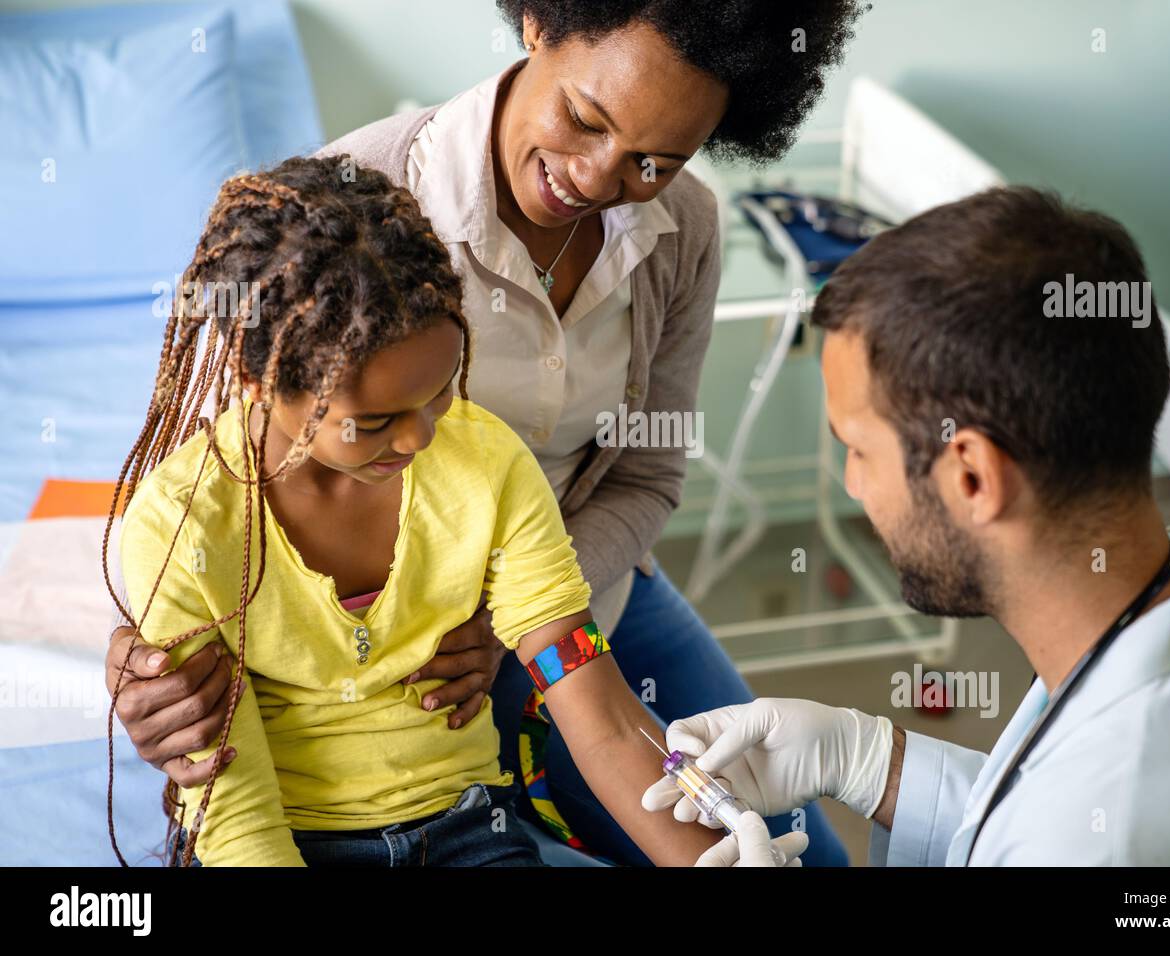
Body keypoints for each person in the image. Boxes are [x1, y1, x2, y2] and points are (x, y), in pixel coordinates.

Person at [104, 0, 867, 867]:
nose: (598, 177)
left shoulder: (671, 243)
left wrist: (506, 612)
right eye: (585, 118)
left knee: (794, 849)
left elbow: (645, 485)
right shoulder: (341, 211)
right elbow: (212, 503)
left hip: (565, 580)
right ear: (540, 23)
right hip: (389, 680)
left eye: (653, 162)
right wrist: (147, 651)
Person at [644, 186, 1170, 866]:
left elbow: (1066, 830)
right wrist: (870, 761)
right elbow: (1037, 810)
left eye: (860, 450)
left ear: (973, 479)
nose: (851, 482)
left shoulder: (1109, 831)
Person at [108, 155, 727, 867]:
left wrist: (722, 855)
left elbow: (602, 714)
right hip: (291, 843)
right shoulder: (184, 524)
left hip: (471, 831)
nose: (420, 438)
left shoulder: (485, 462)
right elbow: (236, 812)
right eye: (372, 422)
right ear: (257, 379)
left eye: (438, 394)